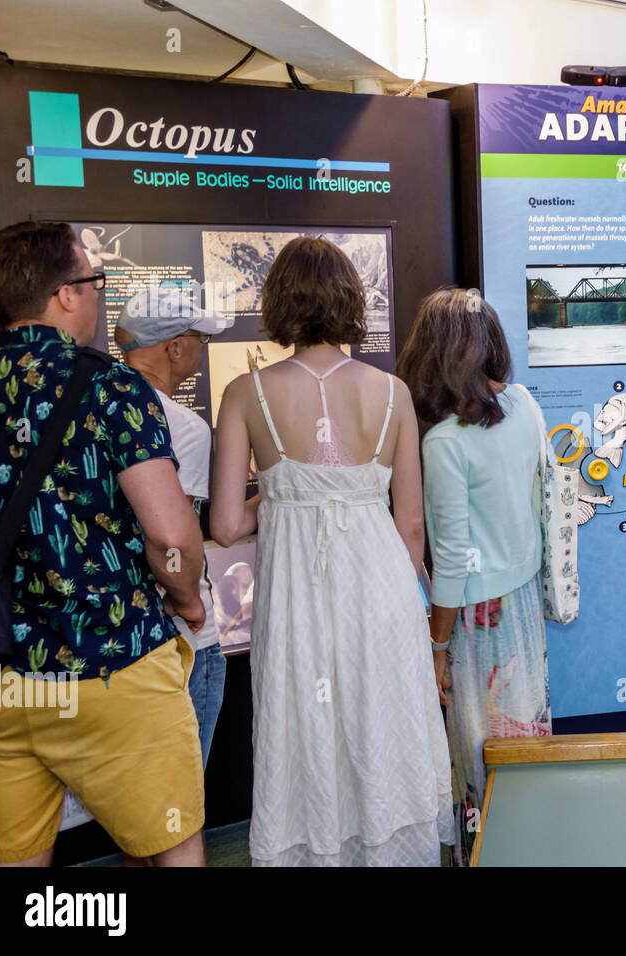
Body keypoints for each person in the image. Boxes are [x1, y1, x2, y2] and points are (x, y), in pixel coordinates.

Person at [210, 236, 451, 866]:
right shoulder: (392, 391)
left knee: (303, 722)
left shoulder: (245, 393)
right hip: (382, 589)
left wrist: (287, 493)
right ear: (350, 299)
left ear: (277, 301)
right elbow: (412, 528)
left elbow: (228, 524)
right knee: (383, 717)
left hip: (297, 596)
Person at [0, 221, 207, 867]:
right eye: (95, 283)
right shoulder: (112, 387)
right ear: (65, 295)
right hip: (114, 658)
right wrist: (187, 598)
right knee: (174, 852)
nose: (98, 298)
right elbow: (170, 535)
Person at [397, 287, 551, 867]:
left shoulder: (442, 443)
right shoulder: (526, 405)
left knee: (477, 759)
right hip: (524, 607)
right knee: (525, 747)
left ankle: (485, 857)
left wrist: (436, 646)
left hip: (476, 625)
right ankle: (530, 848)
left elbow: (454, 560)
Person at [115, 288, 231, 767]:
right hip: (180, 638)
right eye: (199, 339)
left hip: (117, 637)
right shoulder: (182, 425)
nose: (201, 351)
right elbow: (174, 537)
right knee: (180, 805)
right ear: (175, 346)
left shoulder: (95, 409)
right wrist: (189, 602)